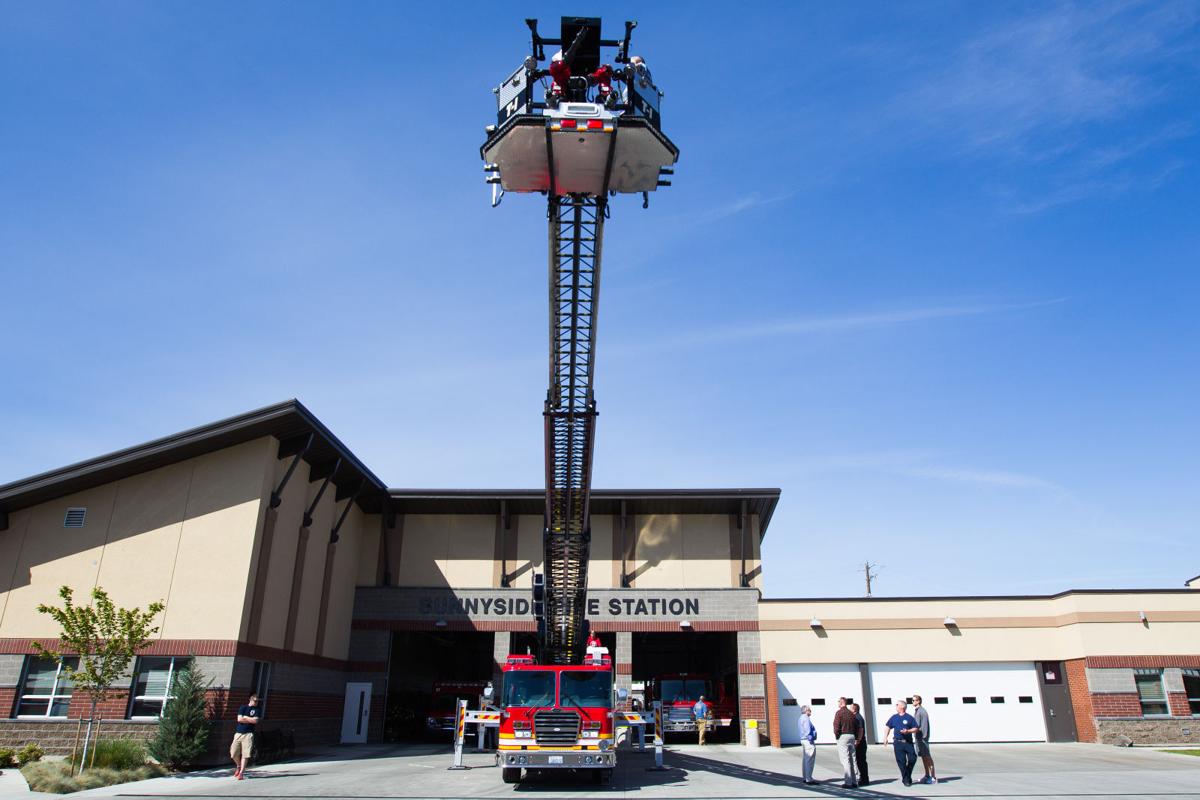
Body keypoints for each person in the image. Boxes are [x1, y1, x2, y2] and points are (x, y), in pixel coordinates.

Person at [883, 700, 920, 787]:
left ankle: (907, 773)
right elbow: (888, 726)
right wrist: (885, 737)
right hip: (898, 742)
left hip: (908, 742)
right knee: (901, 761)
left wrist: (908, 731)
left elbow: (916, 728)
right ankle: (906, 779)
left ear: (902, 707)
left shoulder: (909, 718)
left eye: (897, 705)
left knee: (912, 758)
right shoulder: (894, 717)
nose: (896, 706)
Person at [230, 693, 260, 780]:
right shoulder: (243, 708)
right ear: (250, 700)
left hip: (249, 734)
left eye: (257, 701)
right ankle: (238, 766)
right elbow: (239, 719)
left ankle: (241, 773)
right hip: (239, 733)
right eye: (255, 701)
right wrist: (249, 719)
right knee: (233, 753)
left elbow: (255, 721)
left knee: (245, 754)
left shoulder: (257, 710)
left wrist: (245, 718)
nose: (256, 702)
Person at [832, 697, 858, 788]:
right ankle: (854, 781)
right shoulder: (851, 714)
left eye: (839, 701)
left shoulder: (839, 713)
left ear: (842, 702)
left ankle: (848, 782)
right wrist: (856, 737)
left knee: (845, 760)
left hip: (843, 736)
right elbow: (856, 726)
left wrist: (837, 736)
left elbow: (836, 726)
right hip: (852, 736)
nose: (838, 703)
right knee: (851, 759)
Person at [912, 694, 938, 784]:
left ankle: (933, 777)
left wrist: (924, 737)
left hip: (922, 737)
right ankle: (927, 775)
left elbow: (922, 726)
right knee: (923, 756)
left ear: (919, 701)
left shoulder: (922, 711)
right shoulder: (917, 711)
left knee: (927, 756)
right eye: (912, 700)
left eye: (914, 700)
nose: (913, 702)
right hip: (918, 737)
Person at [797, 704, 817, 785]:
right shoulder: (806, 718)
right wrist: (812, 739)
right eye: (809, 710)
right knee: (809, 760)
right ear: (806, 711)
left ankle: (805, 777)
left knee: (805, 760)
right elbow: (808, 731)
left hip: (803, 740)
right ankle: (809, 779)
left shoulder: (800, 718)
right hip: (808, 741)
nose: (810, 711)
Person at [850, 702, 870, 786]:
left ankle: (864, 779)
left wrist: (858, 740)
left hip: (860, 743)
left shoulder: (858, 718)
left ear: (854, 709)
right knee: (859, 761)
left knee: (861, 761)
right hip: (859, 742)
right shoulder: (856, 717)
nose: (849, 709)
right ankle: (863, 778)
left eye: (851, 708)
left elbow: (861, 730)